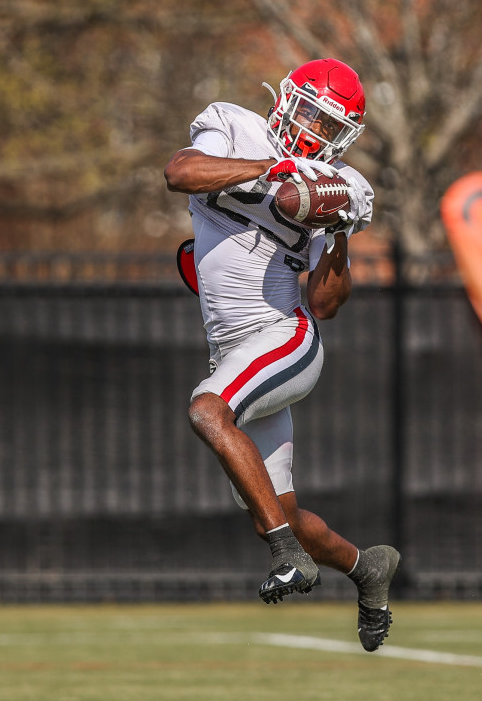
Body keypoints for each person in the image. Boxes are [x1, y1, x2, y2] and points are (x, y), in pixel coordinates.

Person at [164, 57, 401, 652]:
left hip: (283, 334)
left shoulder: (332, 182)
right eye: (312, 117)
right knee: (280, 509)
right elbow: (181, 172)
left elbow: (325, 302)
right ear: (287, 101)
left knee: (207, 410)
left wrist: (341, 232)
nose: (315, 135)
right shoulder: (233, 125)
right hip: (232, 346)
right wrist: (273, 168)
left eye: (329, 128)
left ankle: (287, 558)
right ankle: (366, 568)